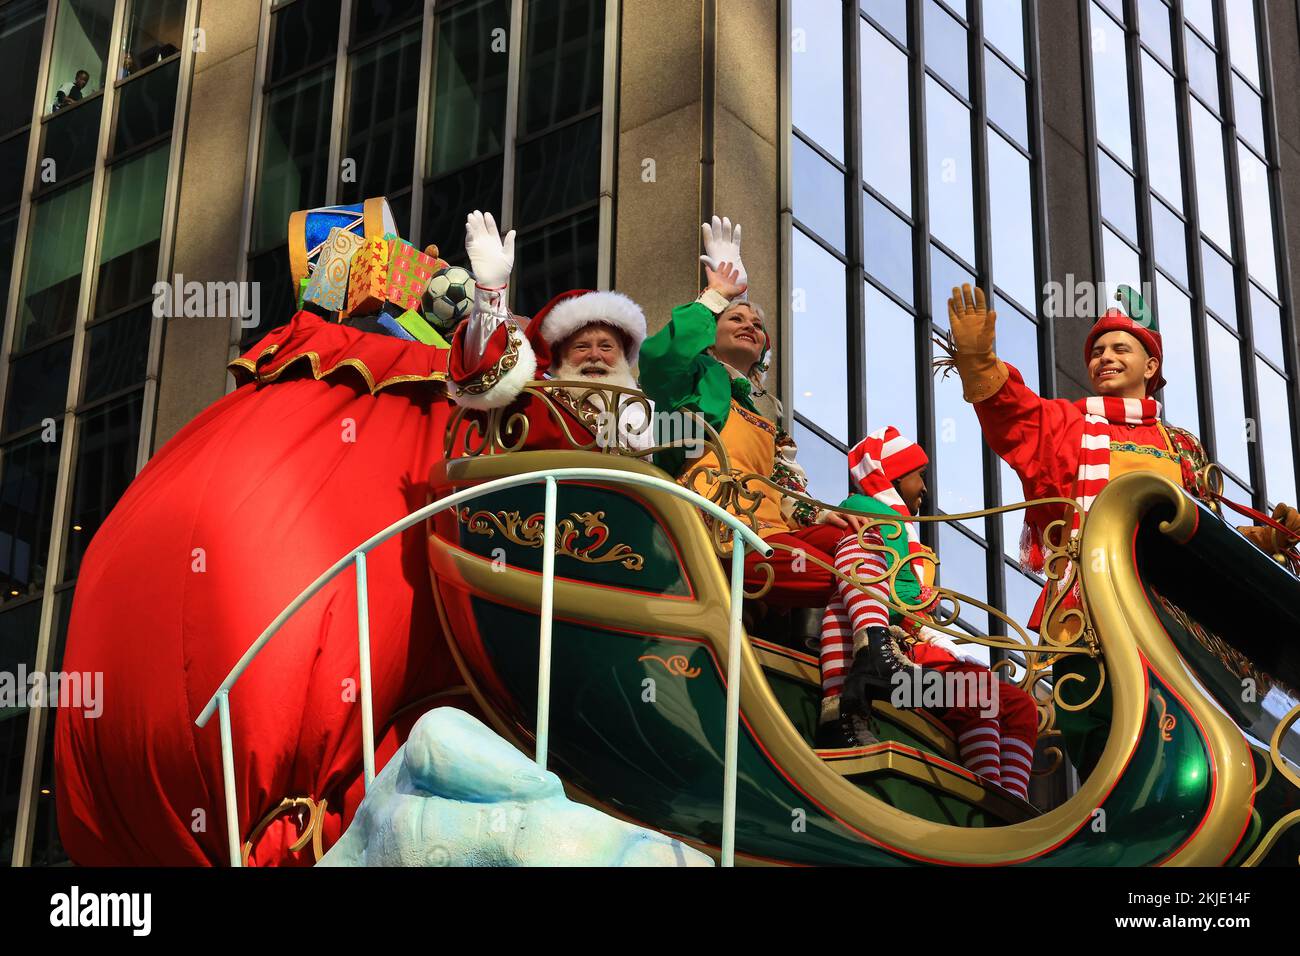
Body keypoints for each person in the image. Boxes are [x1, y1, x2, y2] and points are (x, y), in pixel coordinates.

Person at [944, 282, 1298, 774]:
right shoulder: (1067, 424)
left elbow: (1205, 532)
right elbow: (1013, 414)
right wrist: (980, 362)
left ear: (1151, 366)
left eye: (1119, 348)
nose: (1104, 358)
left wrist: (1265, 539)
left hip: (1177, 617)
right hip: (1089, 613)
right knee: (1102, 735)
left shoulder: (1180, 446)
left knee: (1183, 740)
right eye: (1097, 351)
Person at [820, 428, 1039, 799]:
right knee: (981, 693)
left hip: (916, 651)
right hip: (900, 660)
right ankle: (991, 798)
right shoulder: (867, 513)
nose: (924, 488)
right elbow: (874, 583)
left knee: (1021, 706)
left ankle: (1011, 801)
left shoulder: (907, 532)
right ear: (894, 476)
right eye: (918, 475)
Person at [447, 210, 652, 453]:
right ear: (558, 356)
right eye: (582, 346)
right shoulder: (538, 401)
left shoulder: (652, 412)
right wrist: (491, 293)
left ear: (624, 356)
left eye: (606, 346)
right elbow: (485, 367)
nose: (595, 355)